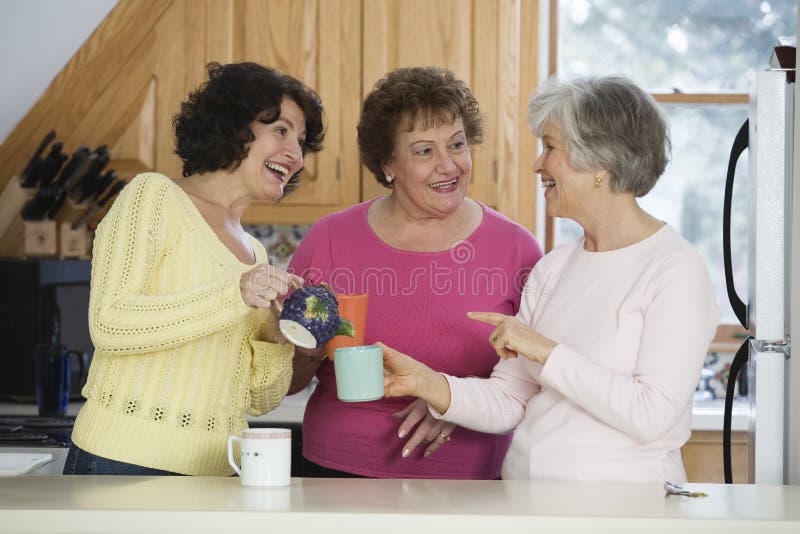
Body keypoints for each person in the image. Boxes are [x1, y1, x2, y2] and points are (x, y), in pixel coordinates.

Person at [381, 76, 719, 482]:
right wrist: (425, 382)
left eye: (551, 148)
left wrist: (545, 351)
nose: (538, 165)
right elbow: (509, 398)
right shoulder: (555, 266)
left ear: (600, 161)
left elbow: (652, 414)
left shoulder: (675, 269)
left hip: (623, 504)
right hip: (526, 499)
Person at [63, 62, 324, 476]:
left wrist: (276, 338)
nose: (295, 154)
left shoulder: (256, 254)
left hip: (218, 470)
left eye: (302, 141)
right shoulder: (153, 197)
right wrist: (235, 293)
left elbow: (260, 399)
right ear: (233, 126)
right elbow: (110, 324)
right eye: (281, 130)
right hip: (124, 461)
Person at [287, 66, 543, 479]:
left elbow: (538, 379)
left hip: (470, 481)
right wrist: (307, 346)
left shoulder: (516, 249)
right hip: (338, 473)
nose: (448, 165)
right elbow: (287, 382)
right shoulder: (330, 238)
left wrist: (457, 402)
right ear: (388, 162)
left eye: (457, 144)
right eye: (424, 151)